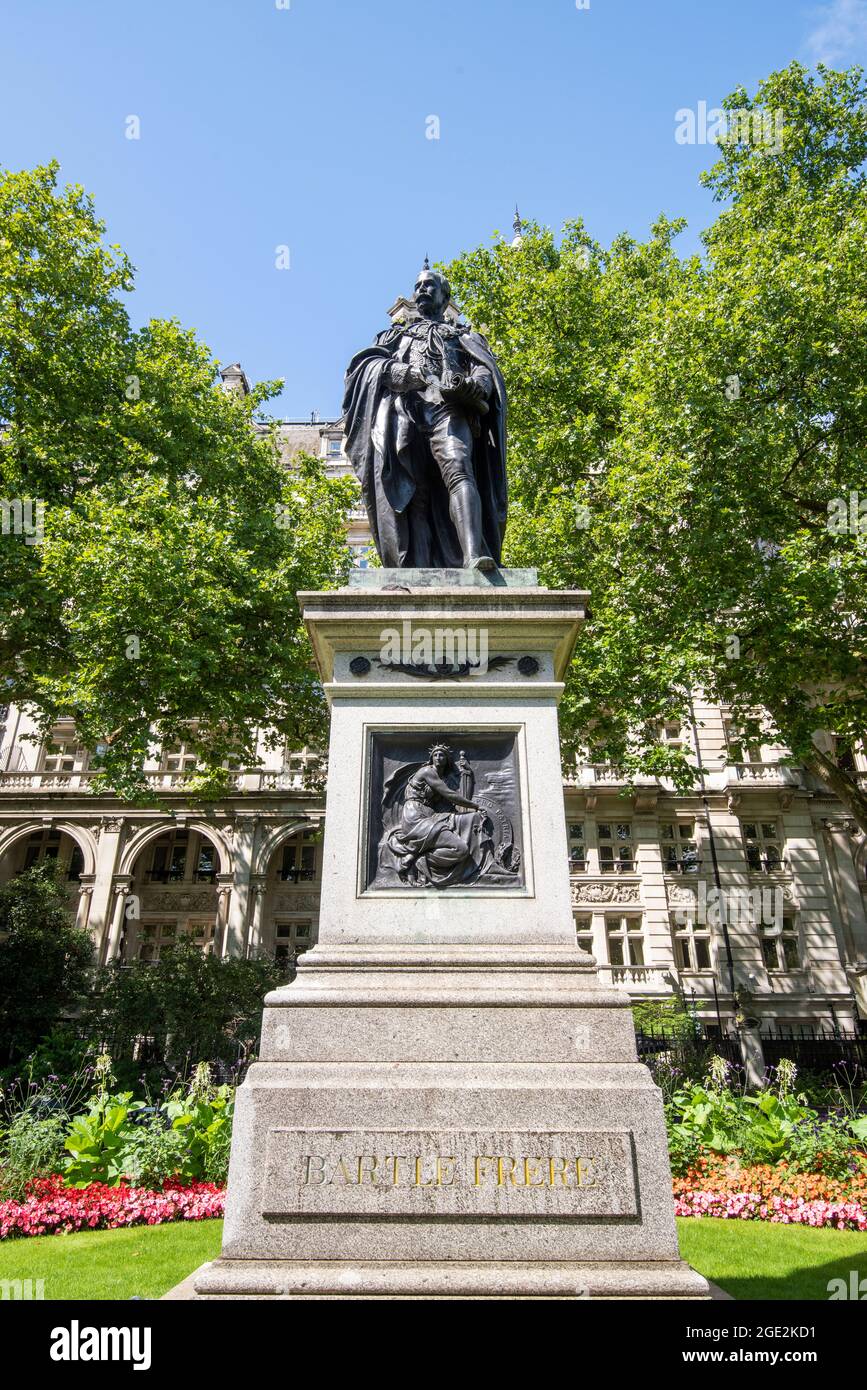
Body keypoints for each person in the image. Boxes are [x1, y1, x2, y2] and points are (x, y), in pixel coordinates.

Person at [342, 262, 508, 569]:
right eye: (418, 285)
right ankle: (415, 569)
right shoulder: (395, 337)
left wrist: (476, 387)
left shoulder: (463, 336)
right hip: (403, 415)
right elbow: (368, 368)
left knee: (459, 468)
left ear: (445, 297)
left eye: (430, 285)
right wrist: (407, 373)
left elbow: (485, 370)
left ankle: (474, 555)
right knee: (413, 489)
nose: (422, 289)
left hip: (449, 409)